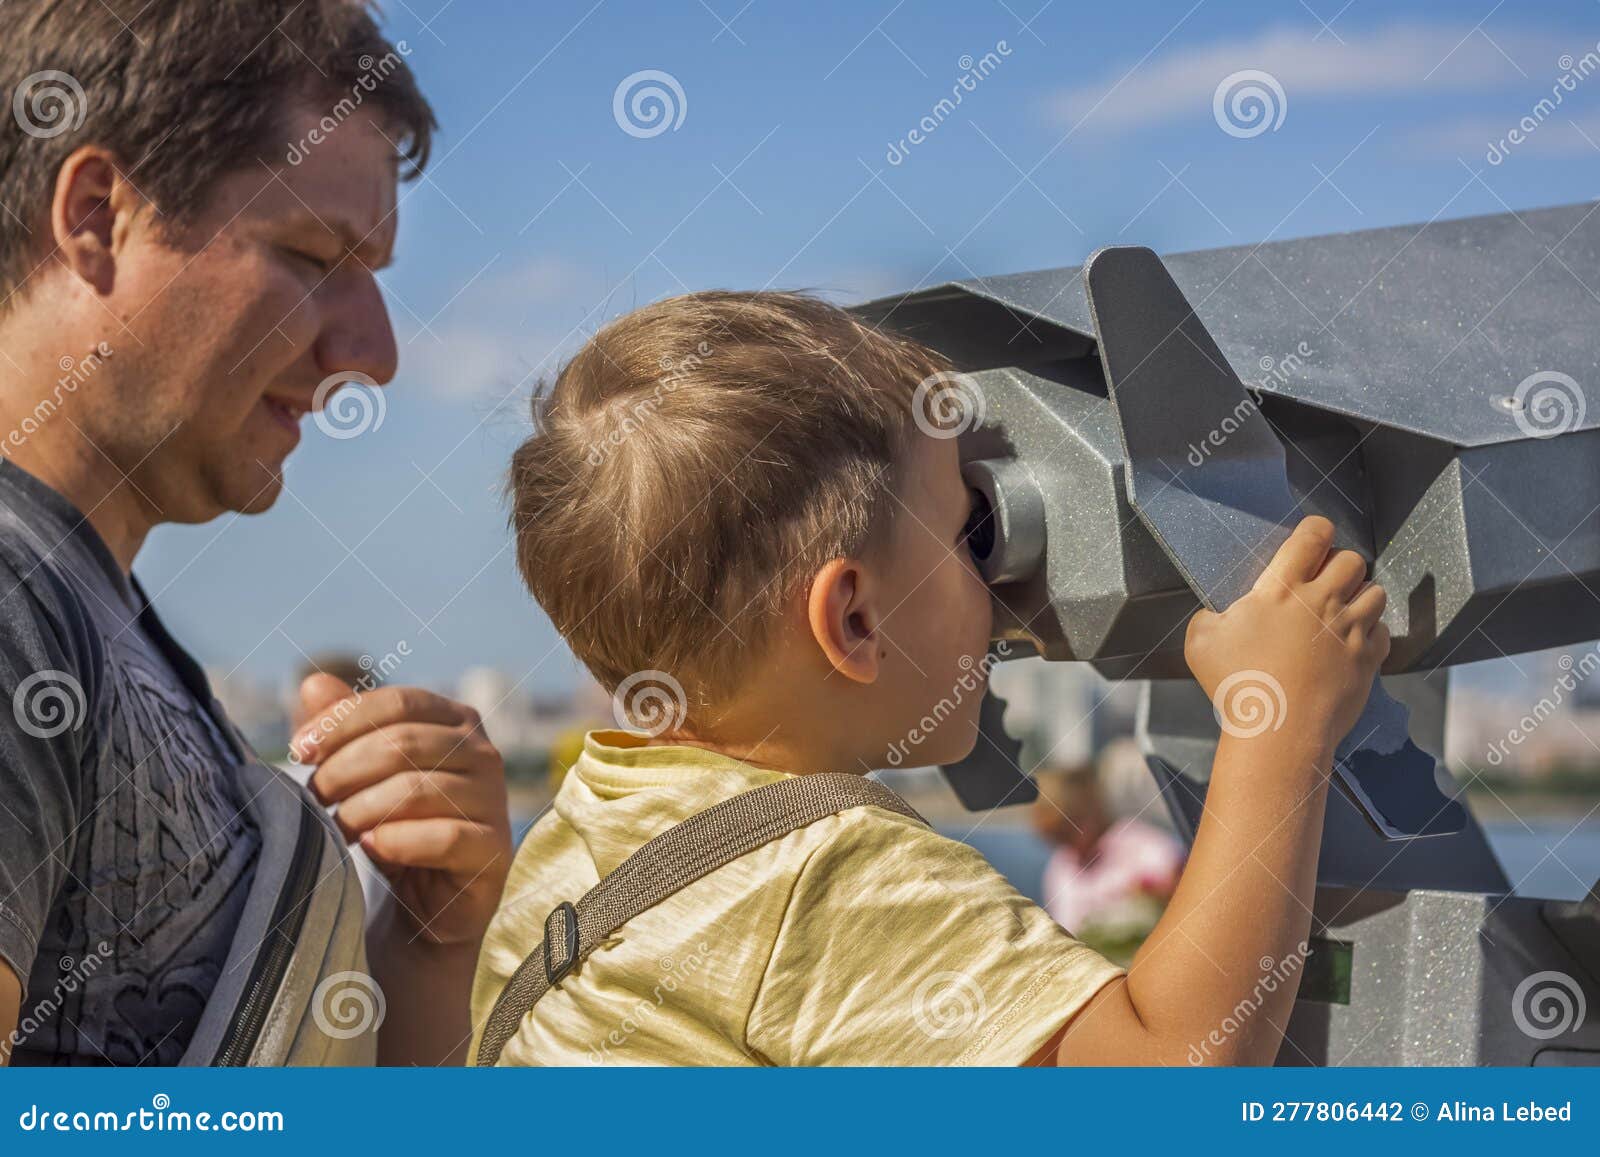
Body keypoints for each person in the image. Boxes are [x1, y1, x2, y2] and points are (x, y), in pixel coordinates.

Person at [471, 290, 1390, 1065]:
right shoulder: (823, 877)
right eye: (967, 534)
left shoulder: (575, 845)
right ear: (855, 620)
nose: (999, 585)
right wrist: (1281, 722)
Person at [0, 1, 510, 1065]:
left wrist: (423, 941)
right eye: (313, 256)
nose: (372, 351)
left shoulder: (105, 625)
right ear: (96, 214)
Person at [1031, 764, 1185, 966]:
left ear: (1090, 810)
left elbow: (1178, 884)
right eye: (1054, 839)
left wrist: (1154, 895)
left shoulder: (1140, 844)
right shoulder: (1060, 868)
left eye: (1067, 832)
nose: (1067, 847)